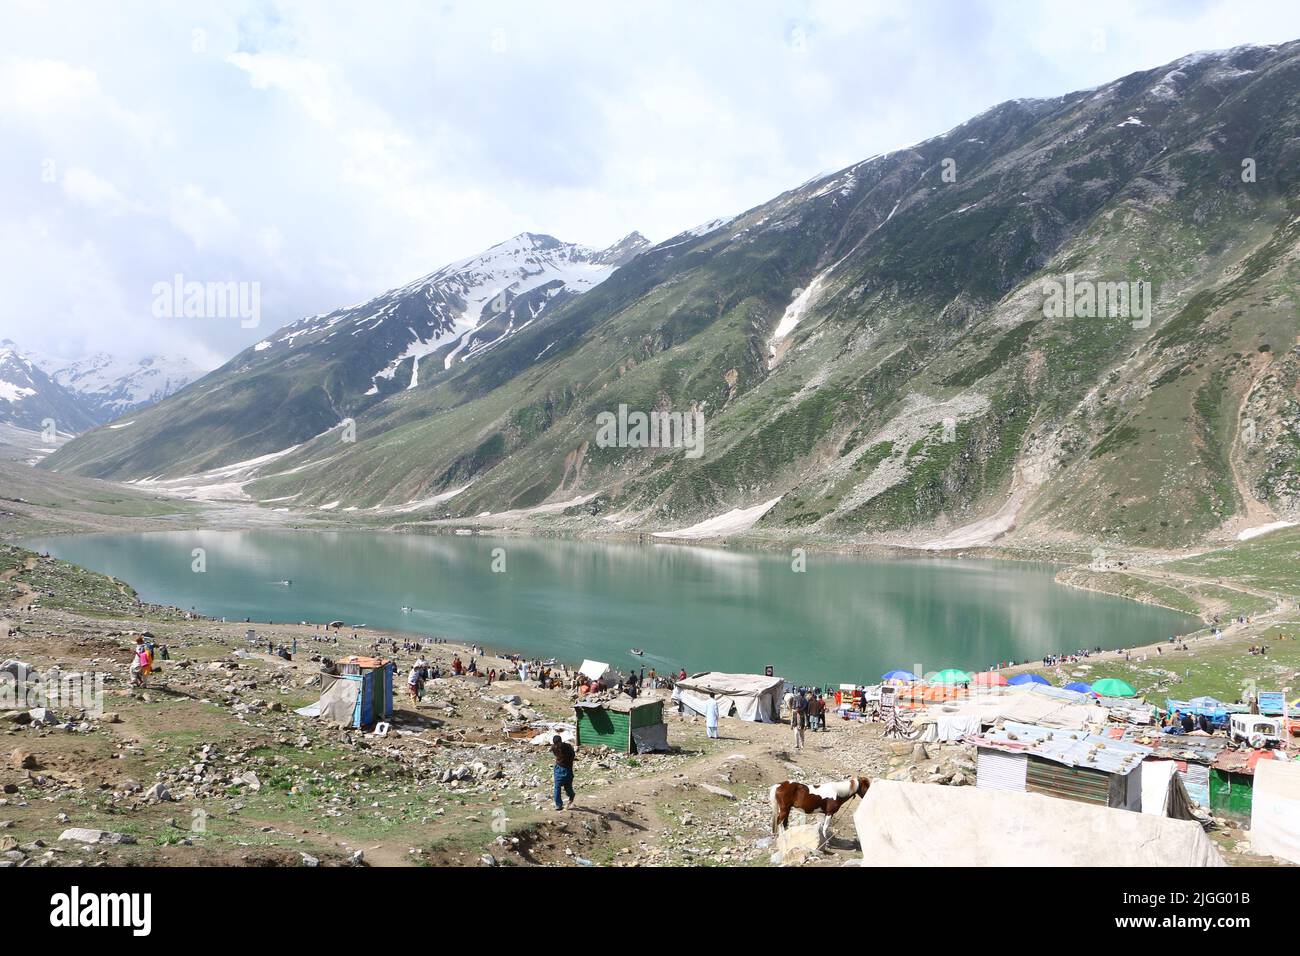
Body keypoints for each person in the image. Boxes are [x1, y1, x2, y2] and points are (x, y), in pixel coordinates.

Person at [551, 734, 576, 811]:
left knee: (557, 787)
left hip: (558, 768)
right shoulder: (567, 746)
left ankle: (558, 805)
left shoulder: (553, 747)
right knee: (567, 786)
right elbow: (573, 755)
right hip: (567, 768)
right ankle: (571, 796)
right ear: (561, 741)